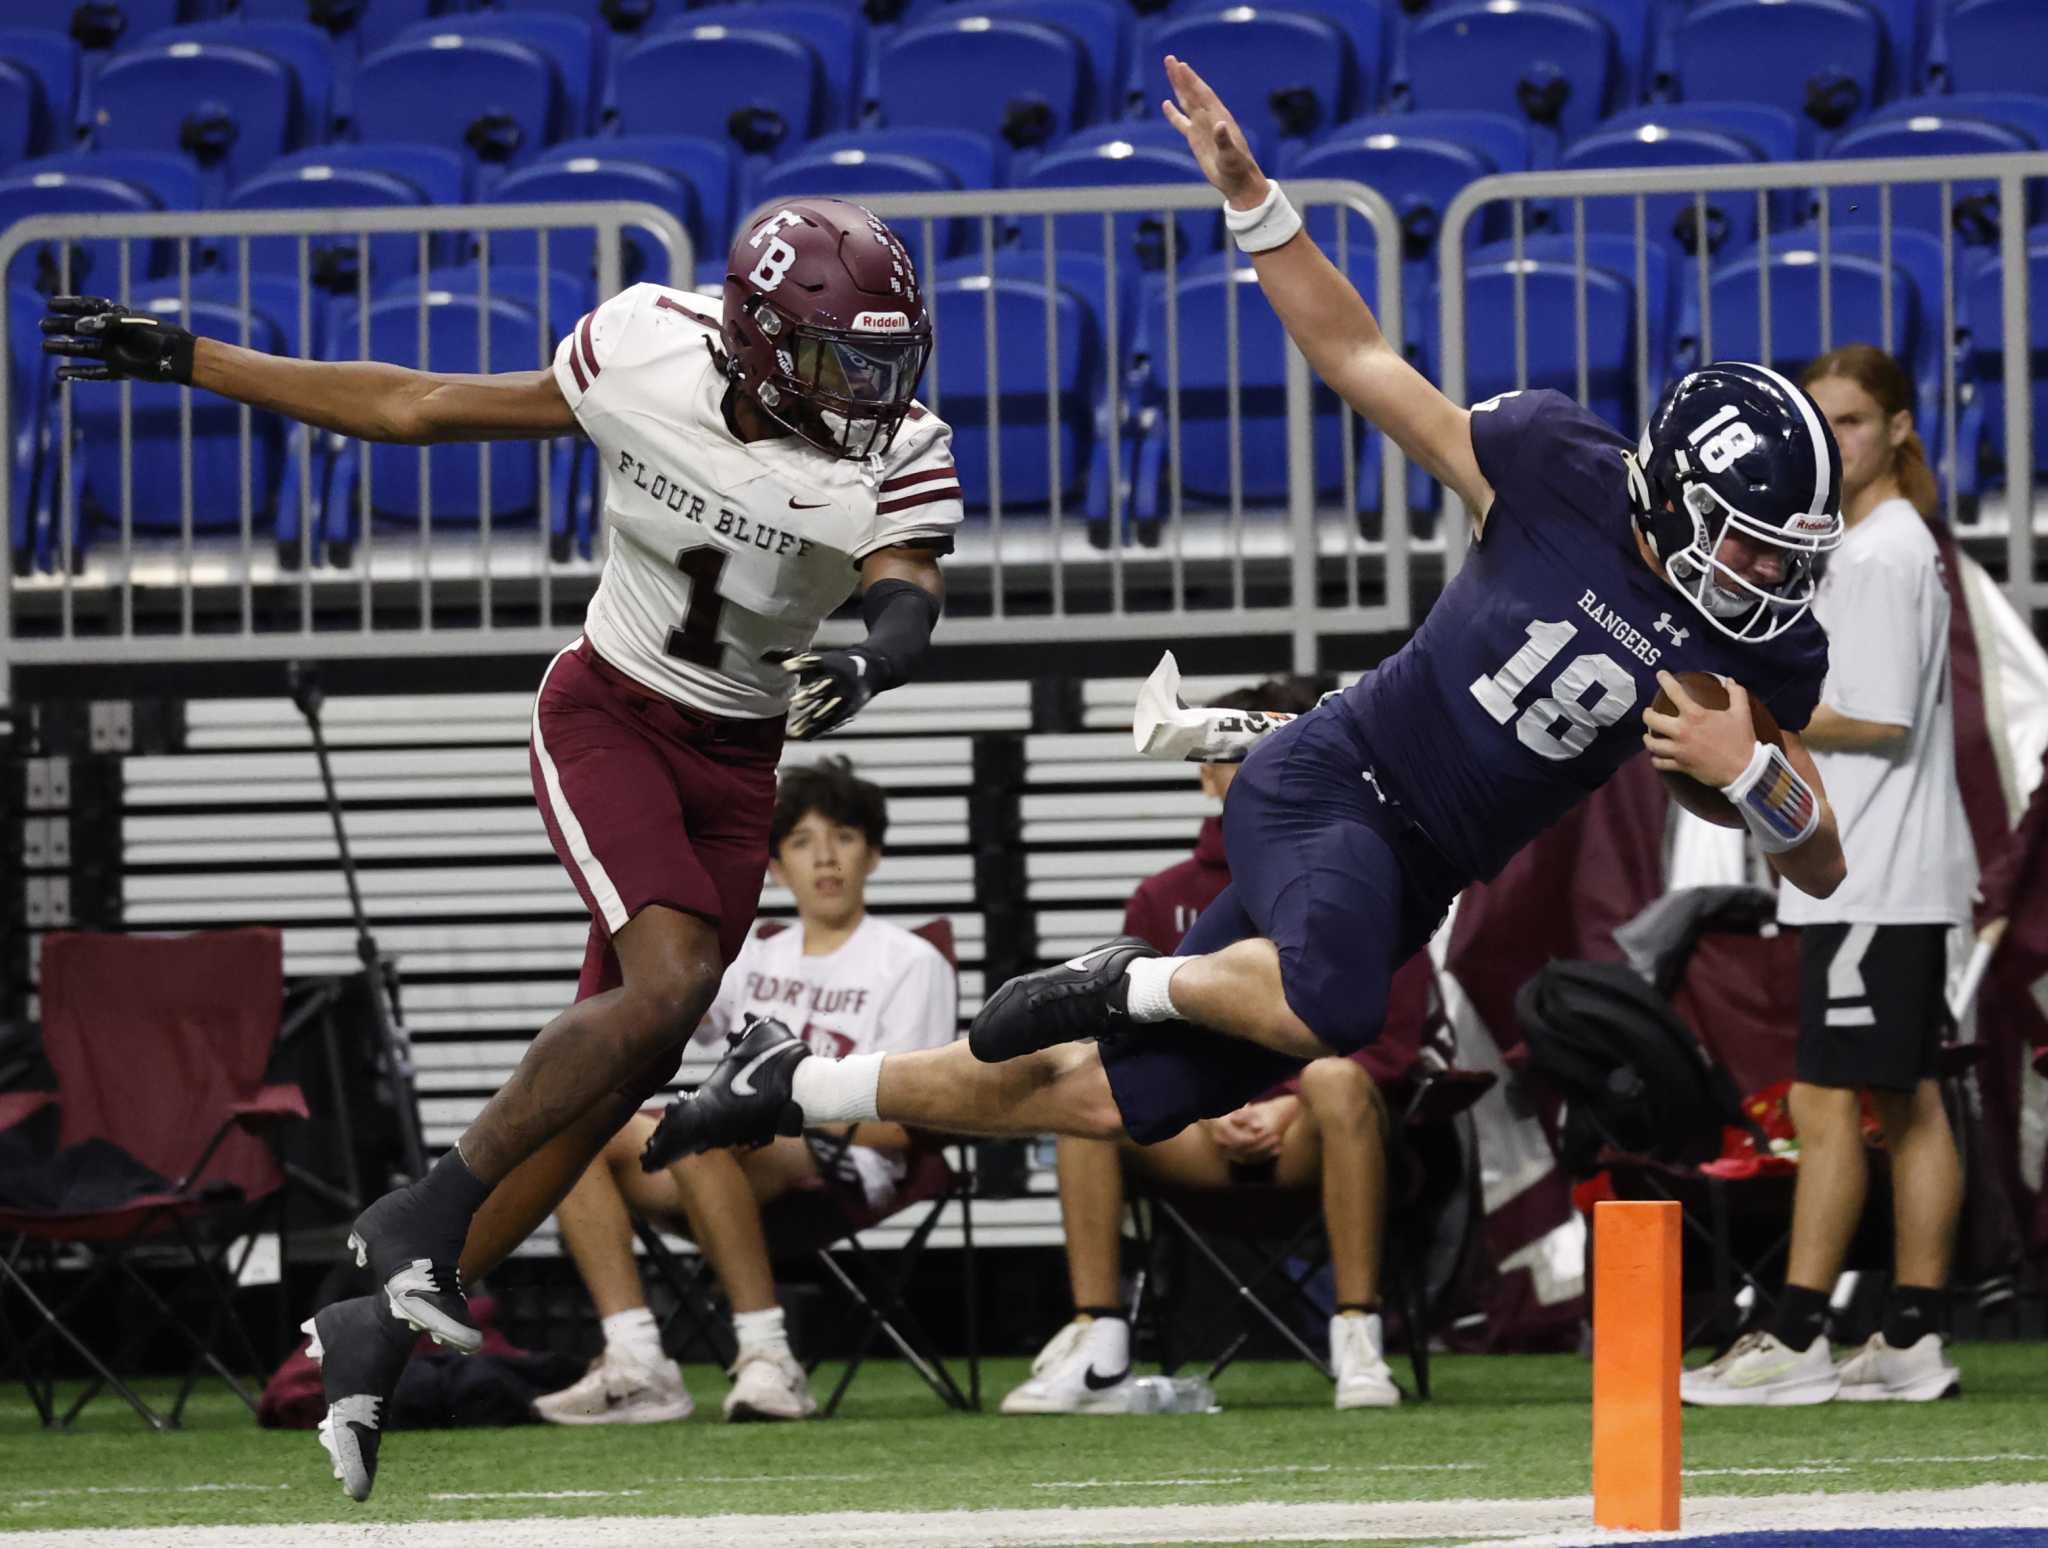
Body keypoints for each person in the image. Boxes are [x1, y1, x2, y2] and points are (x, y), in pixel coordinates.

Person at [636, 61, 1848, 1226]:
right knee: (1328, 1009)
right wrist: (1252, 201)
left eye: (1787, 553)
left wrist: (1745, 773)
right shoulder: (1550, 473)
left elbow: (1819, 867)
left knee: (1108, 1098)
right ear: (1675, 496)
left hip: (1412, 870)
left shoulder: (1752, 644)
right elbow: (1360, 358)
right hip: (1334, 782)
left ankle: (790, 1082)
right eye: (1751, 544)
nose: (1771, 575)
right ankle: (1125, 975)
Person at [42, 197, 962, 1501]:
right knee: (664, 988)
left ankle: (382, 1317)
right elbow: (416, 403)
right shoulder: (642, 348)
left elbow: (908, 590)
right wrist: (199, 358)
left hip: (742, 762)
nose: (868, 390)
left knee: (622, 1059)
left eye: (883, 360)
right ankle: (408, 1230)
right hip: (613, 716)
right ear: (757, 341)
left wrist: (872, 663)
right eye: (836, 360)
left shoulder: (901, 447)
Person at [1681, 345, 1972, 1407]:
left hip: (1875, 870)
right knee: (1900, 1100)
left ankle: (1798, 1333)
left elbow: (1879, 714)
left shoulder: (1881, 554)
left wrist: (1749, 707)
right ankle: (1905, 1335)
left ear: (1896, 429)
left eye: (1850, 421)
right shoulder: (1870, 546)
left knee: (1831, 1096)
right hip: (1876, 871)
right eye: (1819, 422)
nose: (1831, 441)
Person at [1003, 676, 1406, 1415]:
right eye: (1234, 749)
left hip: (1308, 1137)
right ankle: (1099, 1342)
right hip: (1191, 1133)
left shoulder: (1372, 875)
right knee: (1088, 1100)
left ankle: (1357, 1336)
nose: (1256, 764)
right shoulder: (1161, 895)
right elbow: (1131, 1039)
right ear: (1206, 771)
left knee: (1338, 1083)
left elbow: (1397, 1039)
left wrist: (1285, 1107)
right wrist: (1204, 1112)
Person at [532, 758, 957, 1426]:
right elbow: (664, 1015)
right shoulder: (753, 950)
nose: (825, 858)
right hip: (722, 1162)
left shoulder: (909, 960)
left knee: (708, 1127)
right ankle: (636, 1357)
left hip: (851, 1157)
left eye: (843, 837)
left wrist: (777, 1115)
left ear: (873, 852)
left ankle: (768, 1356)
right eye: (800, 843)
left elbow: (910, 1116)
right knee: (567, 1128)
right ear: (775, 868)